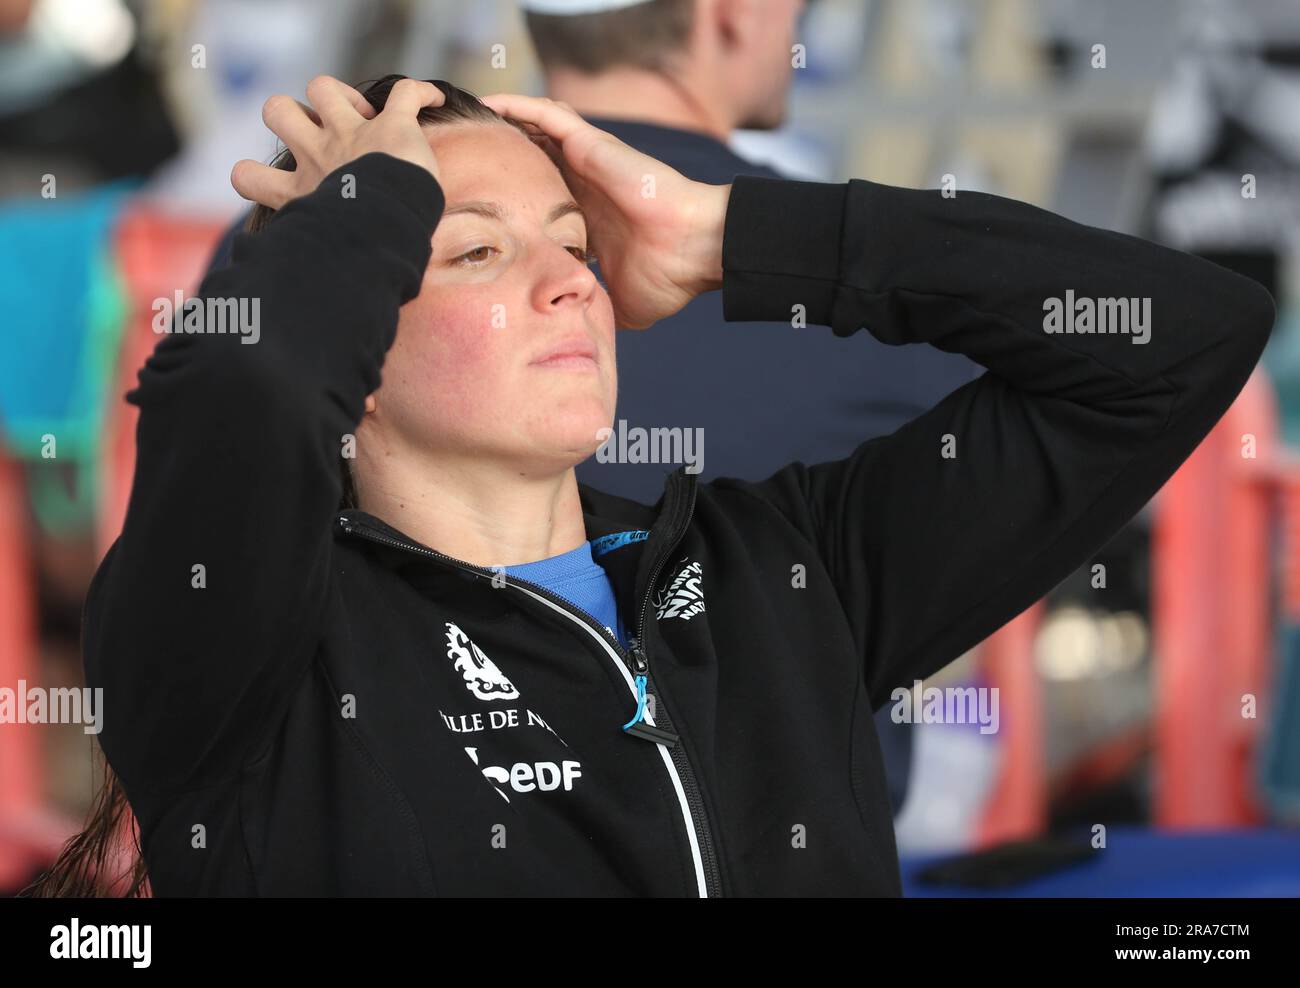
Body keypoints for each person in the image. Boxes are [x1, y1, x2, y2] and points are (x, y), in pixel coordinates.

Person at [35, 73, 1272, 896]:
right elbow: (241, 391)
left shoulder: (782, 571)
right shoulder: (252, 647)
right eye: (473, 251)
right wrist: (369, 198)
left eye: (573, 243)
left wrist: (738, 238)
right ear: (354, 352)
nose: (570, 282)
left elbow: (1175, 342)